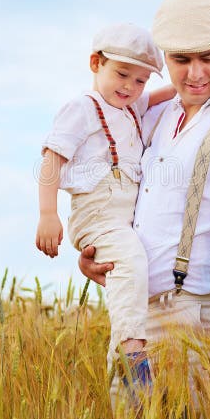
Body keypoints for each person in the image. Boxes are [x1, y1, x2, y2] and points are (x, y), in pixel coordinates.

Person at [79, 0, 210, 408]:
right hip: (135, 318)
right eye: (180, 60)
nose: (194, 74)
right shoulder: (158, 112)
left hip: (198, 317)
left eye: (208, 58)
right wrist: (95, 247)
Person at [35, 23, 176, 389]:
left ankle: (126, 359)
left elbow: (163, 95)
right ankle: (132, 350)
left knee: (132, 267)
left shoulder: (129, 107)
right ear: (96, 63)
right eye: (122, 74)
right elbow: (52, 158)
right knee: (130, 258)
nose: (130, 87)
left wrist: (190, 79)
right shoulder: (82, 108)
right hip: (96, 210)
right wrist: (48, 214)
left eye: (140, 80)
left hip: (122, 214)